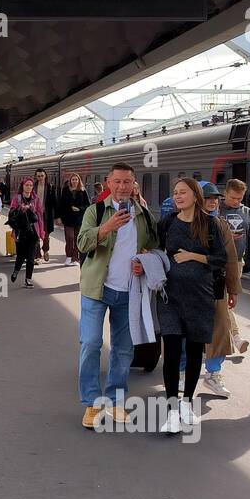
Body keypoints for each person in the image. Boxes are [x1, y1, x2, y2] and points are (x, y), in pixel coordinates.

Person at [76, 163, 158, 429]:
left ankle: (115, 400)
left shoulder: (144, 215)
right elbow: (82, 243)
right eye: (118, 181)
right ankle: (91, 403)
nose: (122, 187)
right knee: (90, 343)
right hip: (97, 289)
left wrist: (144, 261)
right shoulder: (96, 211)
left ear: (134, 185)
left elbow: (154, 249)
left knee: (123, 350)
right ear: (109, 183)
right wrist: (106, 227)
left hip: (129, 291)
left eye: (128, 182)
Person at [155, 178, 226, 432]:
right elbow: (154, 247)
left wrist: (192, 256)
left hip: (200, 297)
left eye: (182, 192)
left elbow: (221, 258)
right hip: (170, 297)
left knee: (196, 352)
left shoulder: (210, 224)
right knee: (172, 352)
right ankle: (172, 410)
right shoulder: (168, 222)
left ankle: (187, 403)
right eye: (175, 193)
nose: (177, 196)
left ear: (195, 195)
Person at [198, 183, 242, 398]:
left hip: (215, 286)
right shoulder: (180, 223)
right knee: (188, 332)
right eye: (208, 198)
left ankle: (213, 374)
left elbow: (231, 260)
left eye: (215, 198)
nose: (213, 201)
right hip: (189, 289)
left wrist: (233, 289)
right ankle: (180, 372)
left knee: (220, 331)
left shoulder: (221, 225)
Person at [220, 178, 250, 283]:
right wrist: (224, 235)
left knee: (233, 296)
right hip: (217, 261)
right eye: (233, 198)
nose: (236, 201)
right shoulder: (216, 209)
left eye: (240, 198)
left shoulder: (247, 211)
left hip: (237, 261)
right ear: (225, 193)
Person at [7, 177, 44, 287]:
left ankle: (28, 279)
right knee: (21, 255)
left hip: (33, 231)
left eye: (30, 185)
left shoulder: (36, 199)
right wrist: (20, 209)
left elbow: (40, 216)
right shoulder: (17, 199)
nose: (28, 187)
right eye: (26, 185)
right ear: (22, 186)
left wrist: (41, 231)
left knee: (31, 257)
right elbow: (11, 213)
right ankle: (16, 271)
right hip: (21, 231)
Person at [60, 172, 90, 265]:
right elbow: (61, 204)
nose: (74, 181)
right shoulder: (65, 190)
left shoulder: (83, 191)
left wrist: (79, 208)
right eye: (73, 179)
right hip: (68, 218)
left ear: (79, 180)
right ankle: (68, 257)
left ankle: (75, 258)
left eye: (76, 179)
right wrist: (60, 216)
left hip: (79, 218)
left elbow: (87, 205)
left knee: (77, 239)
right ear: (70, 181)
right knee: (69, 238)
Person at [32, 167, 58, 262]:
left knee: (46, 235)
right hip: (35, 215)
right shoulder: (33, 186)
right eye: (38, 176)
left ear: (45, 176)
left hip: (46, 215)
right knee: (36, 235)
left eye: (42, 175)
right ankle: (37, 255)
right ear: (36, 177)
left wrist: (57, 216)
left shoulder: (50, 187)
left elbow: (55, 202)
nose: (40, 177)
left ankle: (45, 250)